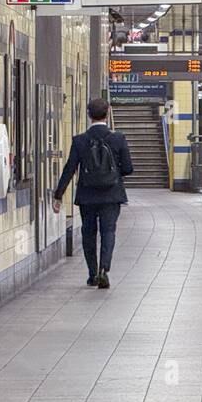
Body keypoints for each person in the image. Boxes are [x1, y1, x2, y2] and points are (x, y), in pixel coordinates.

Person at [52, 98, 133, 289]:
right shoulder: (118, 138)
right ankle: (104, 270)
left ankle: (92, 274)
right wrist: (112, 174)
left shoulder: (80, 141)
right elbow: (128, 168)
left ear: (88, 115)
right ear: (108, 113)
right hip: (112, 195)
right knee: (108, 231)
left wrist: (58, 195)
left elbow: (70, 169)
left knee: (88, 233)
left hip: (87, 195)